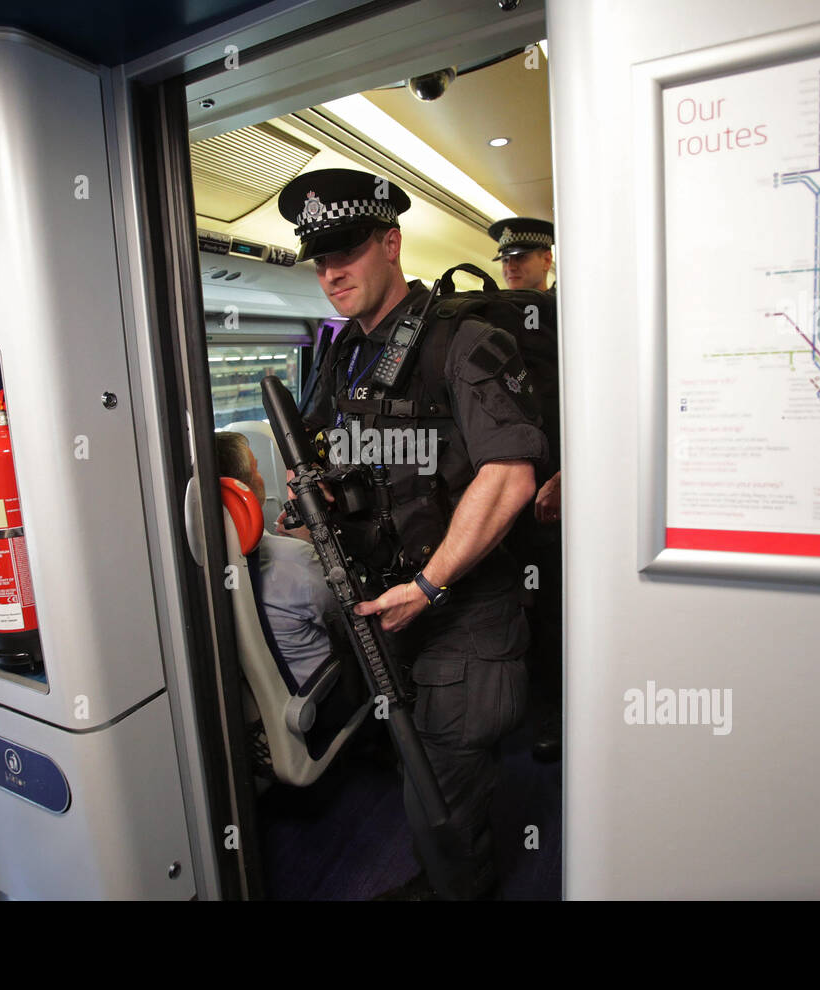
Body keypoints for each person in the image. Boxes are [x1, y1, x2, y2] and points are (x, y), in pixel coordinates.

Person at [277, 168, 548, 900]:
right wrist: (321, 498)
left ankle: (458, 887)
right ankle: (445, 875)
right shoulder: (342, 357)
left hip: (462, 610)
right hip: (391, 608)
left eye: (347, 251)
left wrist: (430, 584)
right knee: (417, 759)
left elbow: (509, 476)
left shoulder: (462, 343)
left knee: (448, 779)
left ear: (390, 243)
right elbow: (349, 456)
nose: (332, 272)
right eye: (320, 258)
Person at [488, 217, 563, 762]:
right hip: (510, 486)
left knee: (558, 604)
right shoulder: (489, 322)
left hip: (558, 489)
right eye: (506, 258)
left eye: (523, 257)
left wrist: (576, 473)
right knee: (514, 599)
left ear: (547, 260)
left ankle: (564, 709)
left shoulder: (574, 316)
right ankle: (516, 699)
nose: (512, 265)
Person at [214, 430, 334, 690]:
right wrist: (313, 544)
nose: (261, 476)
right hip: (326, 693)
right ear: (241, 490)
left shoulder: (207, 564)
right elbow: (346, 612)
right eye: (256, 468)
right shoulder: (293, 560)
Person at [488, 216, 555, 293]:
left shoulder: (564, 304)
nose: (510, 267)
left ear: (547, 260)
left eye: (520, 257)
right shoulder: (498, 304)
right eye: (505, 260)